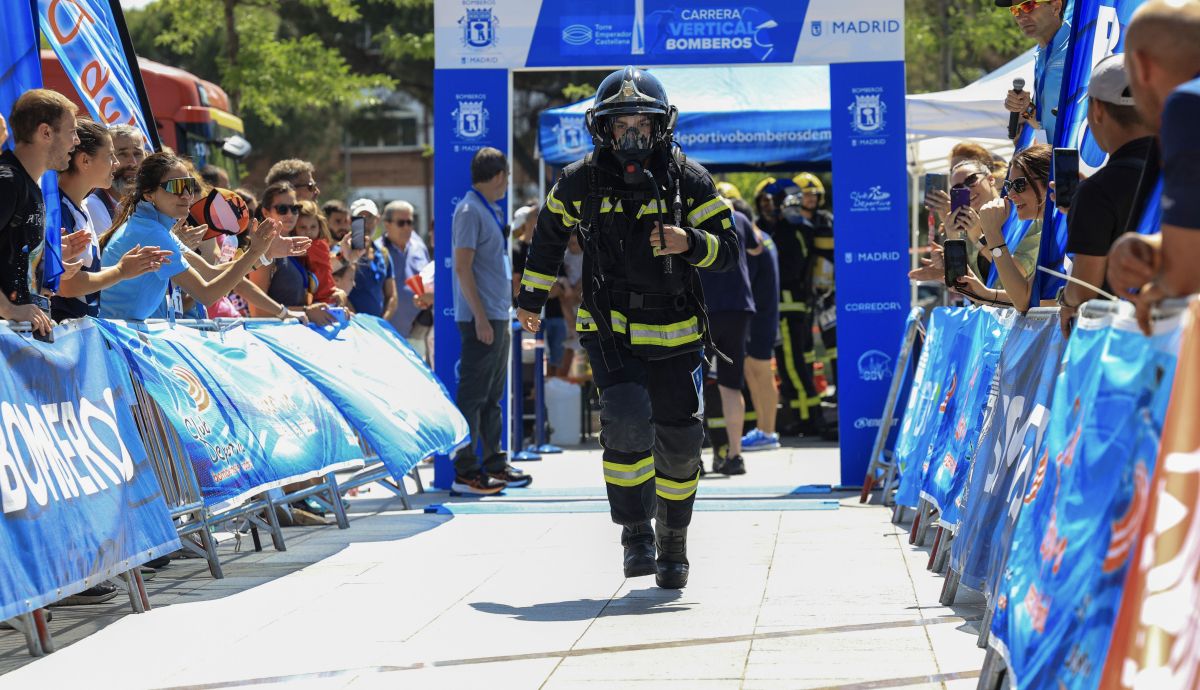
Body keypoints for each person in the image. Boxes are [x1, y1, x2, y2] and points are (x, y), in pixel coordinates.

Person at [515, 67, 739, 589]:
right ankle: (636, 531)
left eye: (643, 121)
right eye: (622, 123)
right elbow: (547, 239)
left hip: (678, 332)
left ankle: (674, 539)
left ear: (661, 126)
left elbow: (728, 252)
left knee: (681, 442)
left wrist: (689, 242)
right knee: (626, 419)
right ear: (604, 128)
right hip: (610, 329)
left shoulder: (690, 179)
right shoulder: (581, 180)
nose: (632, 133)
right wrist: (530, 298)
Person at [98, 152, 284, 321]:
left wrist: (263, 255)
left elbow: (209, 272)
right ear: (149, 194)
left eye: (189, 185)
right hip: (117, 337)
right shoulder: (152, 233)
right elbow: (206, 294)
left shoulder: (154, 227)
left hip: (124, 330)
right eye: (177, 187)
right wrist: (253, 253)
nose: (187, 195)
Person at [1107, 0, 1200, 333]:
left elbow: (1184, 278)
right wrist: (1159, 246)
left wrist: (1158, 290)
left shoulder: (1187, 104)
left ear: (1142, 67)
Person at [1055, 54, 1158, 335]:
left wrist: (1066, 299)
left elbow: (1085, 290)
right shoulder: (1179, 171)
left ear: (1097, 110)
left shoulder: (1097, 191)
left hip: (1118, 349)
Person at [450, 147, 531, 495]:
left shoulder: (488, 208)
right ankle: (465, 471)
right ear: (498, 176)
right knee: (472, 396)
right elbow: (462, 267)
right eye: (507, 177)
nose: (507, 183)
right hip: (482, 319)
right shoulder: (469, 210)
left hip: (498, 315)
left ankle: (494, 463)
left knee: (492, 396)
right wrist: (480, 318)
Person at [51, 119, 172, 322]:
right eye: (111, 156)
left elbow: (84, 274)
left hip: (80, 331)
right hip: (63, 335)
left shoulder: (77, 207)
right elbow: (68, 286)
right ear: (85, 161)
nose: (116, 164)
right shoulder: (60, 210)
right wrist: (120, 270)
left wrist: (132, 266)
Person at [0, 89, 80, 337]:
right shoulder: (8, 181)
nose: (76, 141)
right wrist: (9, 309)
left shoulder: (30, 185)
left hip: (22, 341)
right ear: (46, 132)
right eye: (72, 132)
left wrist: (47, 265)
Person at [951, 144, 1052, 311]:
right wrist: (983, 293)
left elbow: (1023, 288)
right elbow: (1026, 298)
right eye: (1009, 185)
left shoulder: (1048, 225)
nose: (1011, 194)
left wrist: (986, 236)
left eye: (1019, 185)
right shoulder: (966, 227)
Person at [698, 194, 757, 475]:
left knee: (692, 384)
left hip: (704, 308)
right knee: (731, 386)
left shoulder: (693, 219)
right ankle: (735, 455)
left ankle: (691, 456)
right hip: (738, 307)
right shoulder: (742, 218)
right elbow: (757, 248)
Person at [771, 175, 834, 437]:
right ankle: (804, 415)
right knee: (796, 363)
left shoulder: (788, 232)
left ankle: (809, 417)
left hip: (790, 307)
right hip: (798, 305)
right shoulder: (804, 230)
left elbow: (792, 270)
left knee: (792, 365)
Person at [246, 182, 335, 326]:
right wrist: (306, 311)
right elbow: (257, 312)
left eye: (295, 208)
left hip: (294, 335)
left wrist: (335, 293)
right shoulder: (263, 249)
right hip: (272, 338)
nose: (290, 214)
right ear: (266, 212)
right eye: (282, 209)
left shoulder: (294, 247)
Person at [734, 197, 781, 453]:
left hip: (760, 315)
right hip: (761, 313)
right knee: (753, 372)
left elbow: (744, 277)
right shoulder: (761, 236)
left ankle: (768, 430)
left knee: (762, 373)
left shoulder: (753, 242)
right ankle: (763, 429)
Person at [1000, 0, 1070, 145]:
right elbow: (1043, 125)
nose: (1021, 16)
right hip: (1056, 159)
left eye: (1028, 6)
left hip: (1085, 160)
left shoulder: (1079, 45)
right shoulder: (1042, 53)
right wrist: (1025, 107)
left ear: (1055, 7)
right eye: (1015, 10)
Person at [380, 200, 432, 355]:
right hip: (387, 334)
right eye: (401, 223)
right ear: (387, 224)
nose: (407, 227)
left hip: (418, 332)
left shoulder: (419, 247)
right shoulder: (378, 251)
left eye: (410, 222)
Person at [85, 124, 144, 238]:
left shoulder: (148, 204)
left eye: (137, 154)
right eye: (122, 154)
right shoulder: (93, 206)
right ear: (110, 157)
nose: (132, 163)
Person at [347, 198, 398, 319]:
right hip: (351, 328)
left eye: (369, 217)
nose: (365, 223)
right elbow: (337, 292)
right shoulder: (341, 254)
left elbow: (391, 295)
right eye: (360, 218)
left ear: (377, 220)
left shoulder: (383, 254)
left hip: (376, 330)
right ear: (350, 221)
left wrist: (381, 324)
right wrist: (357, 322)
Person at [295, 200, 346, 306]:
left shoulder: (319, 245)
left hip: (327, 299)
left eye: (313, 227)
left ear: (320, 227)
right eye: (303, 227)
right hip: (316, 300)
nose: (308, 231)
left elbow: (289, 250)